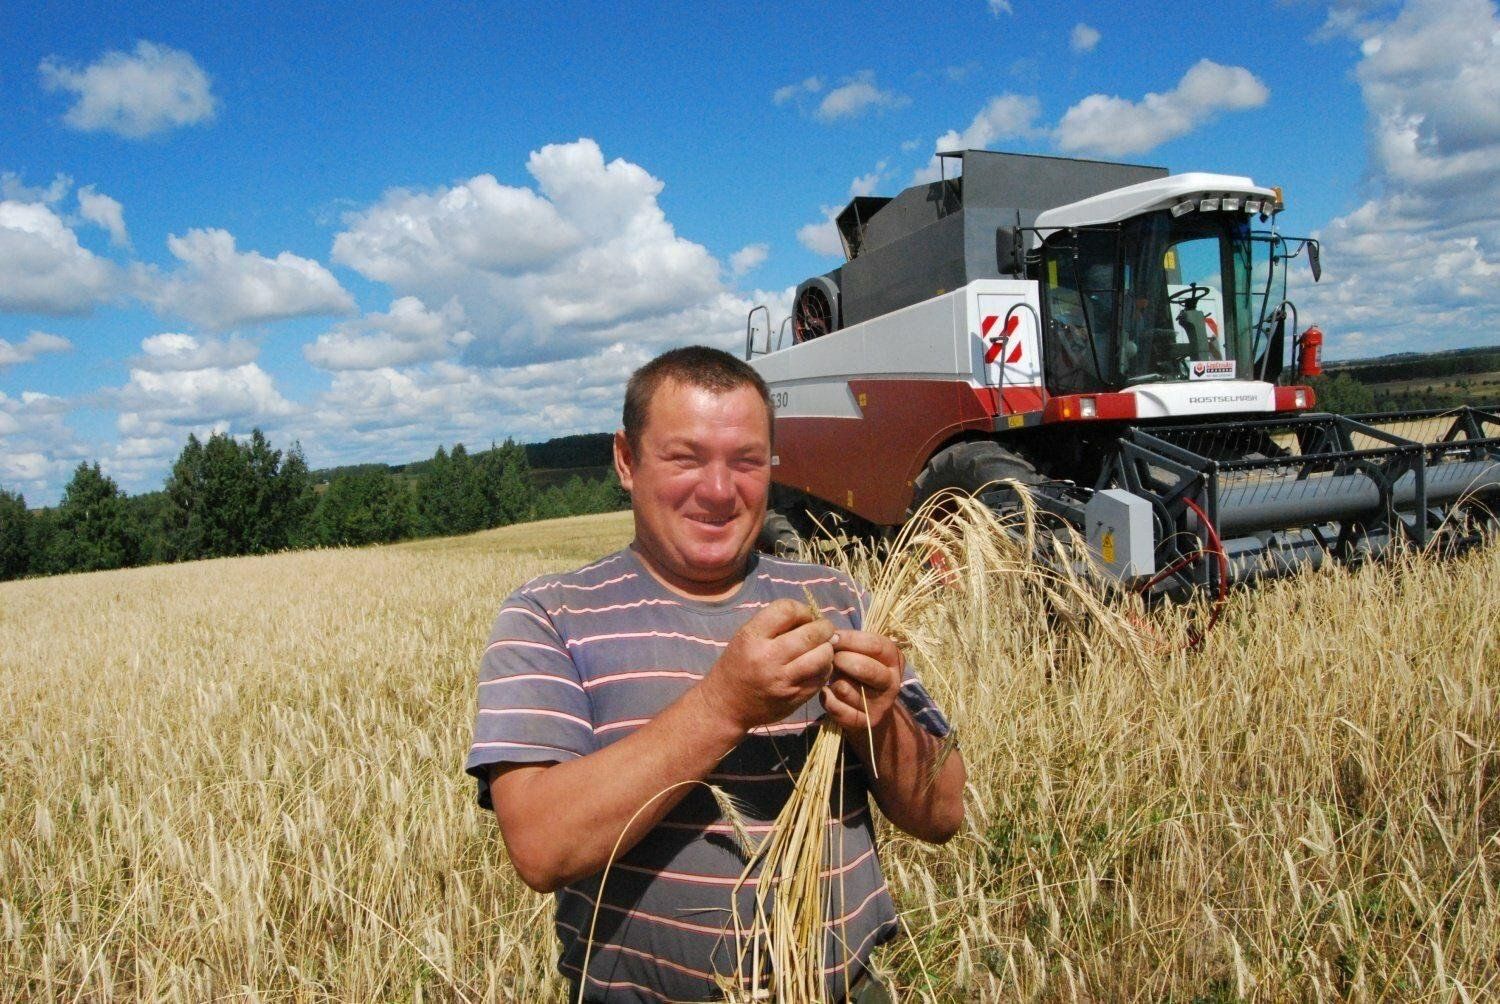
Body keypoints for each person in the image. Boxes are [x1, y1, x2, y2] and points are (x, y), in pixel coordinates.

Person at [465, 346, 966, 1002]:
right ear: (626, 459)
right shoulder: (550, 616)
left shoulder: (839, 599)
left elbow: (942, 811)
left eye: (747, 461)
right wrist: (725, 704)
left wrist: (885, 724)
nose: (720, 490)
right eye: (685, 457)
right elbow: (541, 845)